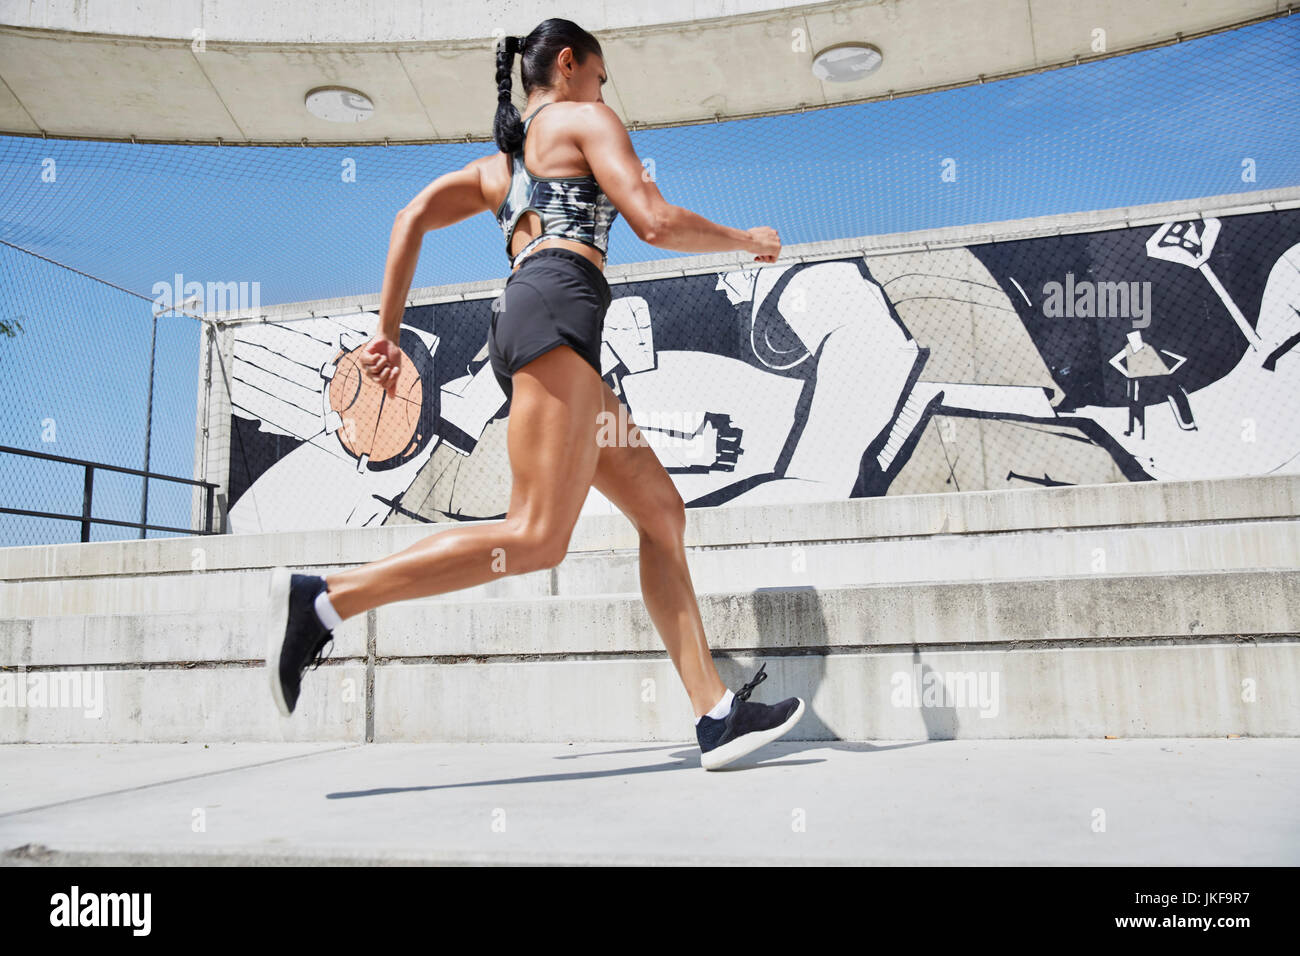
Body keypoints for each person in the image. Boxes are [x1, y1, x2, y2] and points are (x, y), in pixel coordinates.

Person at [265, 17, 803, 770]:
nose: (607, 91)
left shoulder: (500, 168)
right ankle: (326, 599)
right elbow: (653, 220)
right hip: (556, 312)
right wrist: (746, 239)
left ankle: (715, 712)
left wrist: (387, 334)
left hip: (542, 322)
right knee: (536, 537)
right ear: (572, 65)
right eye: (603, 76)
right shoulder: (586, 119)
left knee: (659, 510)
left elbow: (408, 216)